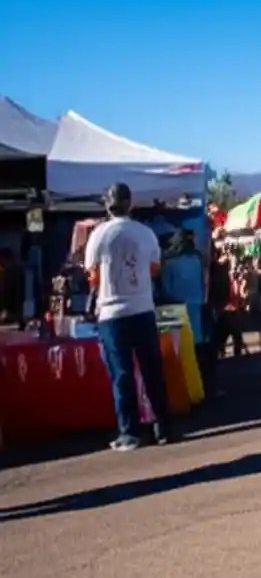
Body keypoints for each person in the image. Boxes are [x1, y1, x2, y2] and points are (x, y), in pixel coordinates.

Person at [85, 183, 174, 451]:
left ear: (107, 205)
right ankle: (163, 428)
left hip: (111, 313)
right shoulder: (146, 234)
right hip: (143, 308)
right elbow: (155, 269)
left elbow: (93, 275)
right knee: (152, 370)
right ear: (131, 203)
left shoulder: (98, 234)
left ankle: (130, 433)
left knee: (122, 374)